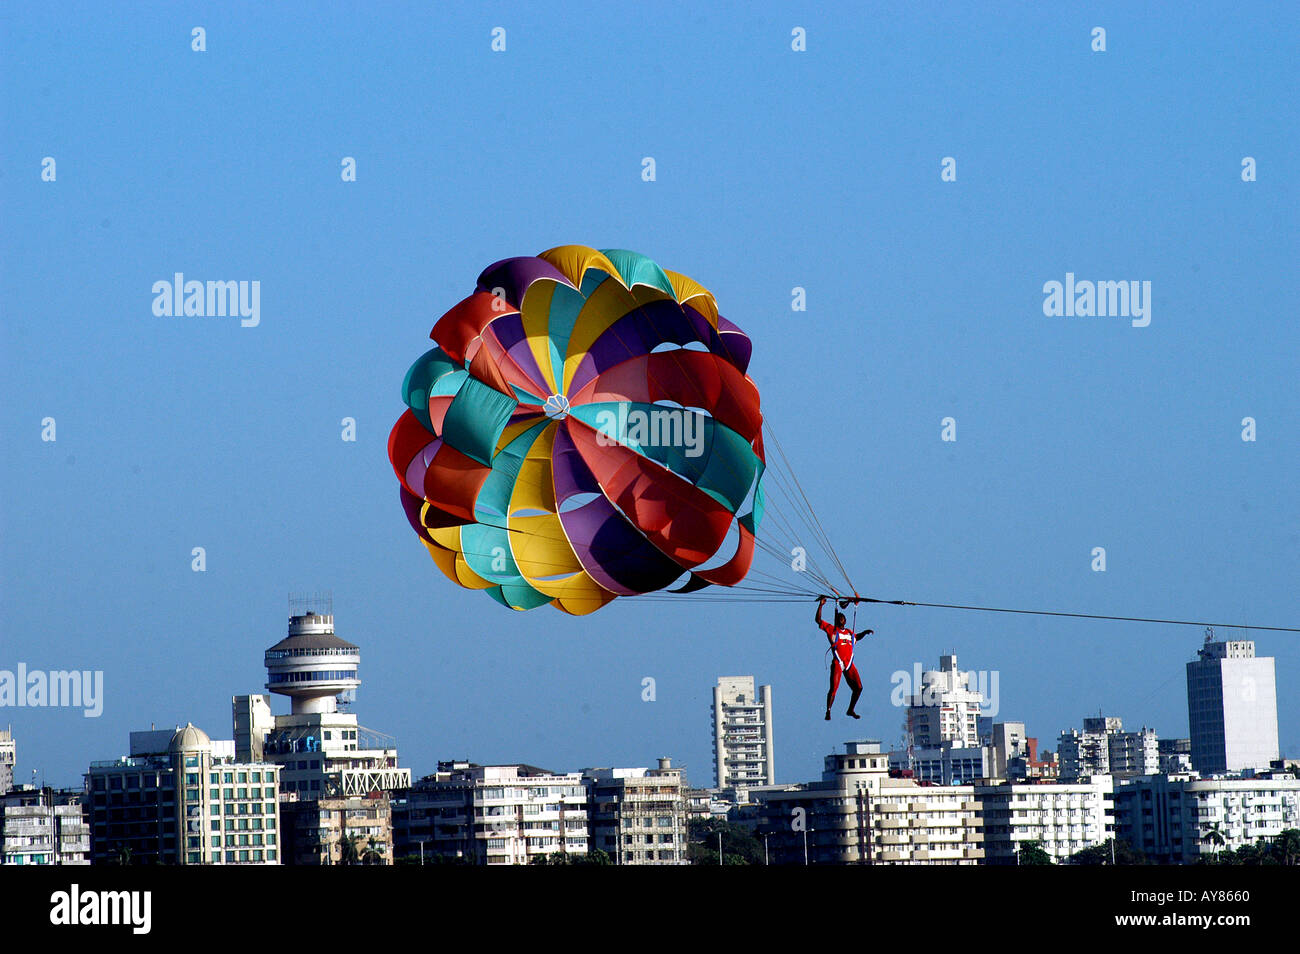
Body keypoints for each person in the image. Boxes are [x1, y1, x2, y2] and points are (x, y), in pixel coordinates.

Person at [815, 596, 873, 720]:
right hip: (838, 663)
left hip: (849, 664)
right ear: (836, 620)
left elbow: (857, 637)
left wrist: (866, 632)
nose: (841, 618)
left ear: (845, 621)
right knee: (833, 689)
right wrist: (821, 605)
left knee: (859, 688)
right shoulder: (832, 630)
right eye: (839, 617)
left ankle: (850, 709)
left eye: (843, 617)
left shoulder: (849, 633)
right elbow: (818, 620)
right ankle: (828, 710)